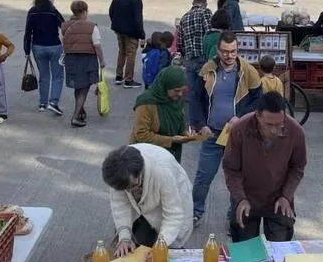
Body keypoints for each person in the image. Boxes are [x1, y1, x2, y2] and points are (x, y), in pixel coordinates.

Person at [189, 32, 261, 224]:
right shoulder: (207, 69)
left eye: (233, 51)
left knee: (237, 180)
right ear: (218, 50)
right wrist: (200, 124)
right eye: (225, 52)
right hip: (211, 134)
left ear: (238, 50)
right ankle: (196, 211)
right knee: (203, 177)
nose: (229, 56)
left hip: (238, 136)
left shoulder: (248, 72)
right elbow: (195, 99)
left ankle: (234, 216)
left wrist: (242, 117)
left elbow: (258, 101)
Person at [223, 91, 307, 241]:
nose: (274, 130)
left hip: (278, 200)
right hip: (247, 198)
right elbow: (231, 169)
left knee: (281, 253)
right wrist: (240, 198)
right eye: (269, 125)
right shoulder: (239, 130)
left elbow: (298, 167)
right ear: (258, 116)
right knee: (246, 254)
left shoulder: (296, 131)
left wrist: (286, 196)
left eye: (279, 124)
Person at [102, 144, 194, 254]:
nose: (129, 192)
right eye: (125, 189)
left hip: (175, 198)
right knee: (138, 249)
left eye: (132, 186)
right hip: (142, 208)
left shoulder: (162, 171)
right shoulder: (117, 172)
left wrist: (160, 245)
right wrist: (124, 237)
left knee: (169, 251)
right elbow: (120, 204)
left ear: (140, 172)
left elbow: (173, 215)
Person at [131, 66, 192, 163]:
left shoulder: (177, 100)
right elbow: (141, 135)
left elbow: (179, 121)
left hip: (171, 155)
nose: (180, 94)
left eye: (182, 90)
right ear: (165, 86)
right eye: (176, 90)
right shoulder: (146, 102)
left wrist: (186, 134)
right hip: (147, 157)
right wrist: (171, 140)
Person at [61, 0, 105, 128]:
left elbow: (63, 40)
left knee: (77, 86)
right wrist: (101, 60)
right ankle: (75, 116)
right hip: (87, 60)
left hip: (71, 59)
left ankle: (80, 110)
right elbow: (97, 45)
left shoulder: (65, 25)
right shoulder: (91, 26)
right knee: (84, 88)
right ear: (85, 11)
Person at [23, 0, 65, 115]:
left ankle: (43, 103)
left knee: (44, 75)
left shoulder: (32, 11)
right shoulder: (53, 11)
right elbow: (63, 26)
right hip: (54, 45)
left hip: (37, 46)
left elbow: (28, 31)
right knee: (57, 76)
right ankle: (54, 102)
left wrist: (27, 50)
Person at [109, 0, 146, 88]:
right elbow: (138, 19)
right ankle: (128, 80)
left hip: (119, 29)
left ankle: (118, 76)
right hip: (131, 32)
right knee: (131, 54)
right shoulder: (136, 0)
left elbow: (111, 10)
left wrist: (115, 23)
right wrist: (142, 35)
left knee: (122, 52)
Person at [177, 0, 212, 100]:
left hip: (189, 57)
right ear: (205, 4)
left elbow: (179, 41)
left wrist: (183, 56)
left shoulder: (184, 17)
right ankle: (204, 115)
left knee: (192, 91)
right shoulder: (205, 12)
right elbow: (209, 32)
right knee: (206, 90)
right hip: (202, 55)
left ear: (193, 4)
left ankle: (193, 115)